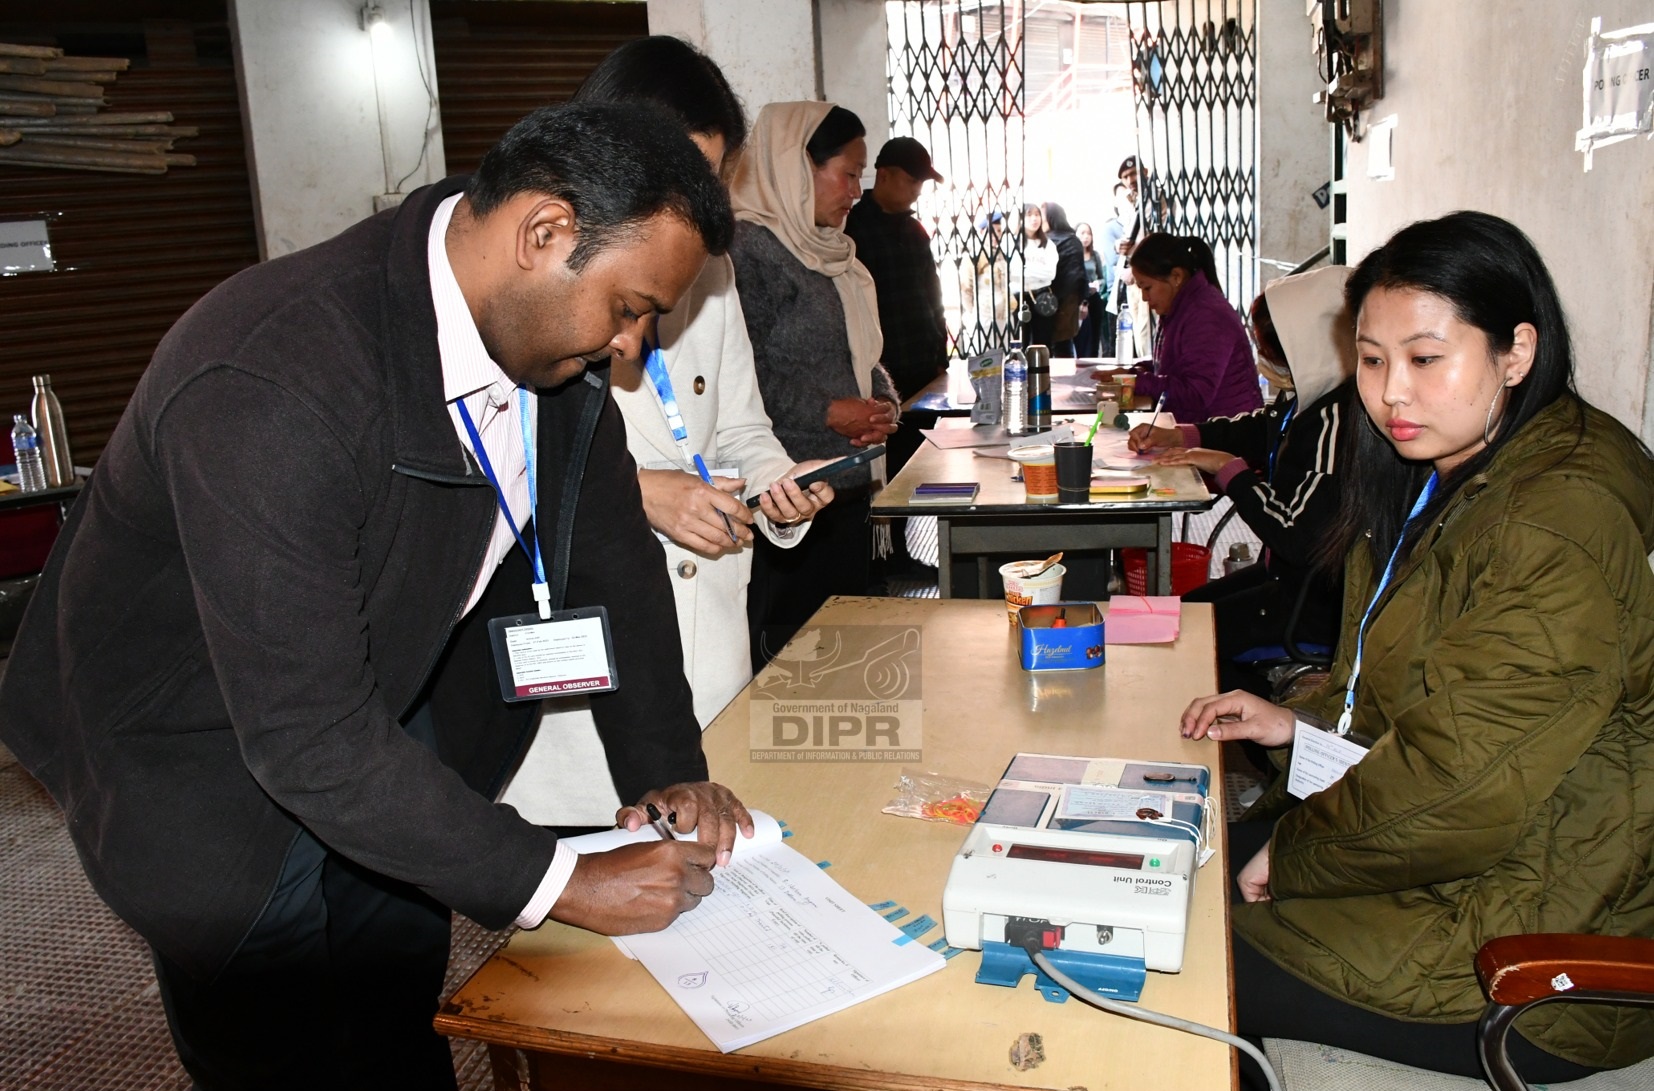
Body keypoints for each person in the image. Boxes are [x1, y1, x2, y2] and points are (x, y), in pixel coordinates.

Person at [0, 102, 757, 1090]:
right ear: (543, 233)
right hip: (198, 760)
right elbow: (306, 735)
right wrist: (559, 876)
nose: (632, 346)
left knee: (397, 1016)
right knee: (282, 1046)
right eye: (628, 306)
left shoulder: (549, 361)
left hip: (378, 731)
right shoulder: (275, 374)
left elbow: (617, 568)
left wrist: (665, 774)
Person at [1180, 211, 1654, 1084]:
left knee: (1179, 961)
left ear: (1516, 350)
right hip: (1468, 862)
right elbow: (1415, 693)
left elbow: (1458, 785)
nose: (1392, 392)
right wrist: (1302, 723)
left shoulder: (1560, 518)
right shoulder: (1450, 473)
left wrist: (1297, 854)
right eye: (1370, 359)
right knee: (1176, 848)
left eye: (1427, 359)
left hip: (1530, 940)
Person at [499, 38, 835, 828]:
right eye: (683, 168)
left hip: (710, 637)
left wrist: (778, 487)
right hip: (588, 658)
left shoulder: (711, 274)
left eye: (714, 176)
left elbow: (745, 424)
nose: (700, 200)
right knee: (586, 890)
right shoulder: (541, 279)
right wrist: (643, 491)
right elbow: (500, 457)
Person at [727, 102, 901, 669]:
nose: (857, 190)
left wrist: (883, 404)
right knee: (791, 667)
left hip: (843, 489)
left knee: (845, 659)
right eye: (848, 172)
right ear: (797, 166)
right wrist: (830, 412)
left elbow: (860, 355)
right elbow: (742, 376)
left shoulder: (835, 253)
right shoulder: (746, 252)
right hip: (786, 500)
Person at [1129, 265, 1355, 695]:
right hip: (1281, 579)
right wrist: (1181, 435)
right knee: (1171, 618)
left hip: (1313, 603)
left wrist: (1228, 468)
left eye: (1273, 349)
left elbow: (1296, 536)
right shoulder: (1311, 398)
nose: (1263, 362)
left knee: (1180, 641)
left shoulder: (1338, 419)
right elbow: (1260, 426)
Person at [844, 135, 949, 403]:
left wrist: (940, 356)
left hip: (924, 369)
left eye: (922, 183)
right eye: (913, 180)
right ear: (884, 175)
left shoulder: (916, 232)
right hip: (877, 376)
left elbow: (933, 297)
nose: (917, 190)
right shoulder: (850, 230)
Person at [1128, 232, 1262, 420]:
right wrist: (1134, 373)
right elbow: (1176, 366)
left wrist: (1137, 382)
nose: (1144, 297)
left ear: (1176, 276)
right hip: (1202, 428)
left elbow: (1196, 393)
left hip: (1224, 433)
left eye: (1147, 287)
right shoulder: (1180, 307)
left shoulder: (1207, 314)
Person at [1039, 202, 1087, 357]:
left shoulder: (1068, 241)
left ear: (1052, 218)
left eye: (1042, 217)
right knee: (1059, 346)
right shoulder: (1071, 241)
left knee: (1060, 347)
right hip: (1057, 301)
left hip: (1062, 304)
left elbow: (1074, 276)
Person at [1073, 220, 1110, 357]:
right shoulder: (1073, 255)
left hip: (1094, 298)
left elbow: (1101, 277)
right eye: (1082, 233)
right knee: (1080, 336)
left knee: (1095, 335)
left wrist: (1097, 284)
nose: (1086, 236)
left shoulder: (1095, 255)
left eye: (1089, 233)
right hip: (1078, 298)